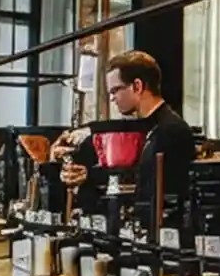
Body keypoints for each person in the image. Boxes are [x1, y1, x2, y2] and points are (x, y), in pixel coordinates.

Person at [59, 50, 196, 202]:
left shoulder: (171, 130)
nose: (112, 98)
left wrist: (93, 176)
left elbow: (152, 185)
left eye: (115, 90)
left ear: (137, 86)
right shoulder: (151, 127)